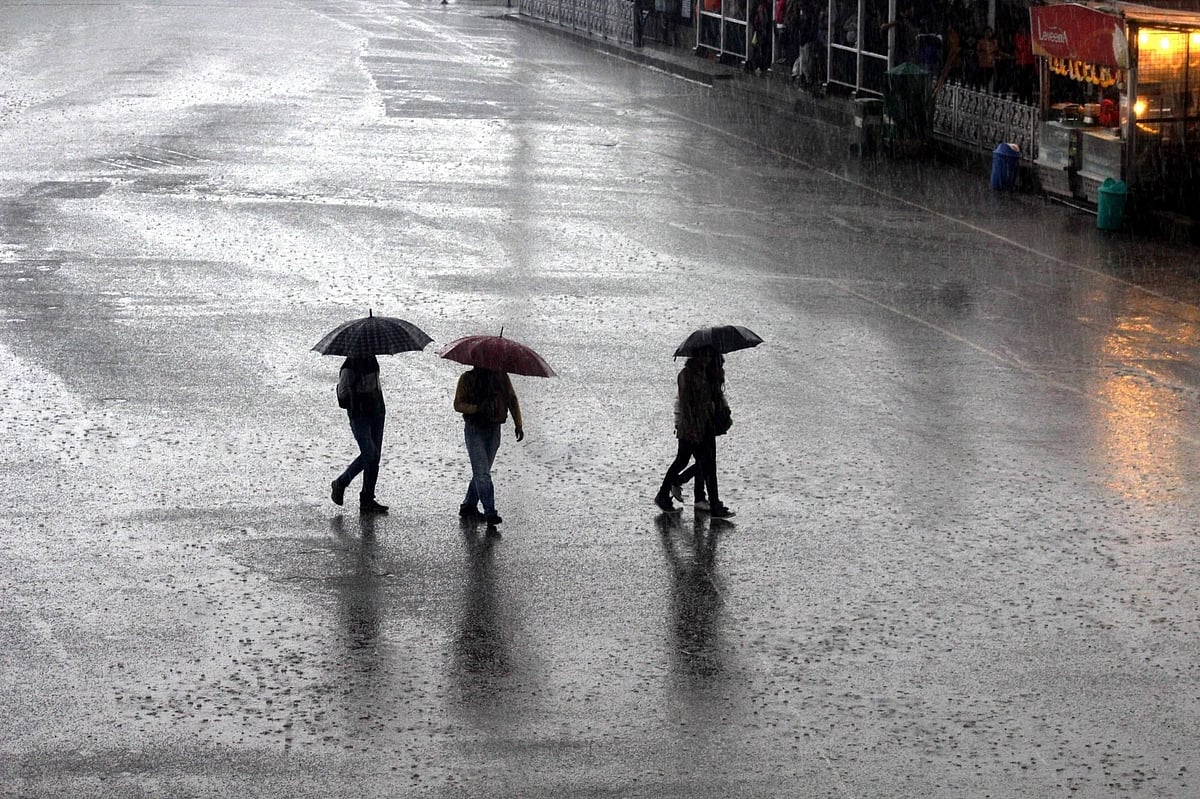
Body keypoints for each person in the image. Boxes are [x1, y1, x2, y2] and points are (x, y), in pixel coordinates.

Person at [655, 349, 735, 518]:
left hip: (706, 426)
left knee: (708, 465)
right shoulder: (687, 375)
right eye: (705, 355)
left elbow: (716, 398)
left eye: (710, 356)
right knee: (683, 461)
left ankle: (714, 505)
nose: (707, 358)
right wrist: (691, 428)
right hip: (690, 427)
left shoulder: (710, 373)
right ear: (697, 355)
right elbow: (686, 405)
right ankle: (664, 493)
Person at [454, 366, 524, 526]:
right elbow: (458, 404)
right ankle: (490, 512)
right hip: (474, 429)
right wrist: (477, 409)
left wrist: (518, 423)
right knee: (482, 474)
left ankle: (468, 506)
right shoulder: (467, 379)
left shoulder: (501, 377)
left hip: (494, 429)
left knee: (481, 472)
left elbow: (512, 399)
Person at [331, 355, 389, 514]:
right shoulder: (349, 366)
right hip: (359, 416)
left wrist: (378, 405)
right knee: (370, 453)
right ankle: (341, 483)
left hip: (377, 413)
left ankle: (367, 499)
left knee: (374, 458)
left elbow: (376, 385)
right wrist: (360, 399)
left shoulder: (372, 360)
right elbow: (343, 397)